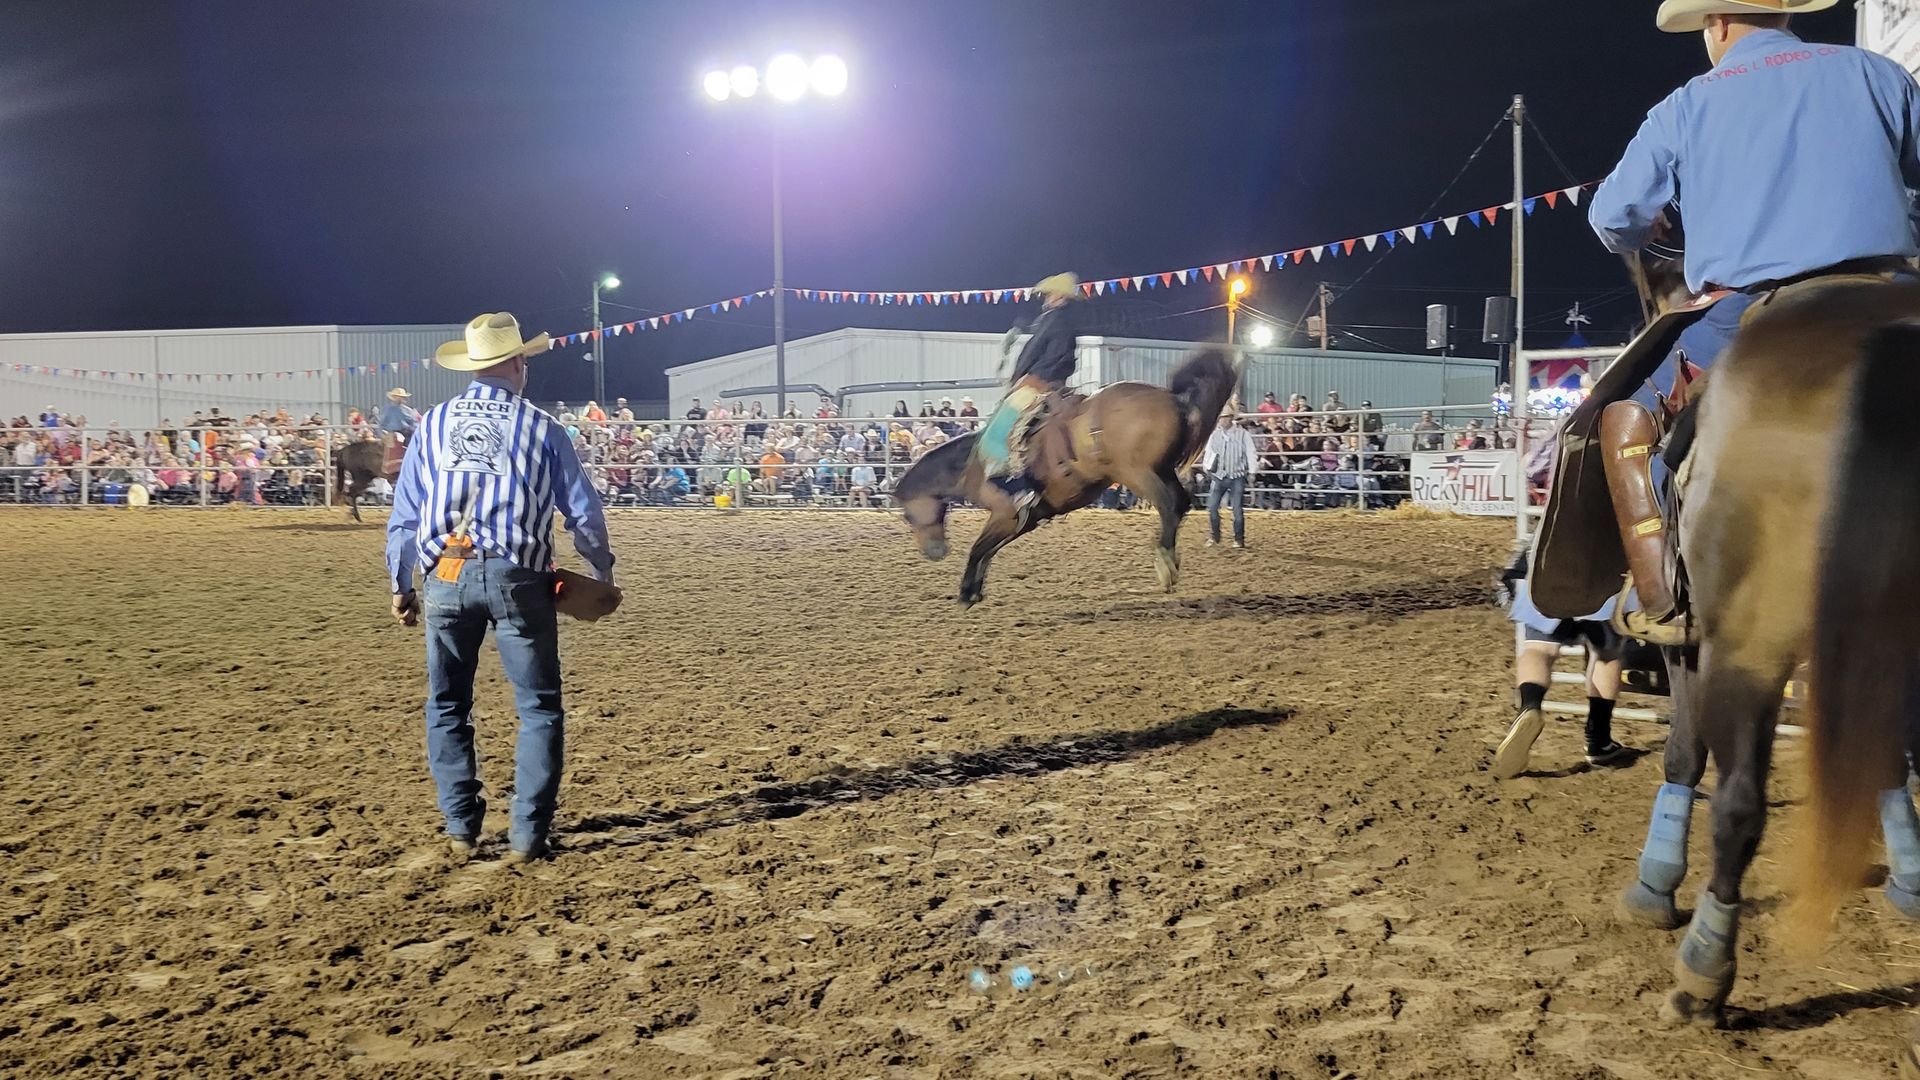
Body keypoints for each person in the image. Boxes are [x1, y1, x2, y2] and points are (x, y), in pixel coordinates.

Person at [1575, 0, 1920, 642]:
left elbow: (1610, 216)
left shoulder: (1685, 105)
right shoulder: (1877, 74)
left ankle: (1663, 596)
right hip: (1891, 294)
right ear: (1784, 15)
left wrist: (1643, 225)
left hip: (1749, 313)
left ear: (1717, 24)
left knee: (1624, 418)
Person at [385, 312, 614, 863]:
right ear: (516, 363)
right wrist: (601, 572)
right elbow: (583, 513)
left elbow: (405, 516)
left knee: (447, 704)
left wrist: (401, 584)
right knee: (538, 707)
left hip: (446, 574)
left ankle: (461, 826)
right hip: (520, 576)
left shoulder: (434, 424)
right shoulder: (542, 427)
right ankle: (528, 834)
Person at [980, 272, 1082, 513]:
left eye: (1047, 294)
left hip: (1039, 381)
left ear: (1058, 295)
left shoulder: (1053, 320)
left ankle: (1018, 484)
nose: (1045, 298)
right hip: (1051, 379)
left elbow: (1042, 353)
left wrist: (1023, 378)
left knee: (1002, 424)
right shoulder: (1062, 320)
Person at [1201, 410, 1258, 549]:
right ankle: (1215, 535)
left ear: (1230, 419)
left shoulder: (1243, 434)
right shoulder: (1215, 435)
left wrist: (1252, 471)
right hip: (1219, 475)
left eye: (1223, 418)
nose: (1221, 421)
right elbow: (1209, 451)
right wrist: (1206, 465)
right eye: (1220, 418)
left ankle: (1238, 539)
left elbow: (1251, 452)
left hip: (1237, 476)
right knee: (1212, 507)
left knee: (1237, 509)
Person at [376, 388, 420, 471]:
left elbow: (414, 422)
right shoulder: (387, 409)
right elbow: (381, 424)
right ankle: (388, 468)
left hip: (406, 432)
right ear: (393, 397)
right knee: (390, 448)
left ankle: (413, 463)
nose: (399, 399)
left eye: (401, 397)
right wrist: (381, 435)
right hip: (392, 433)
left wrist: (413, 428)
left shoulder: (408, 410)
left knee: (415, 444)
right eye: (397, 397)